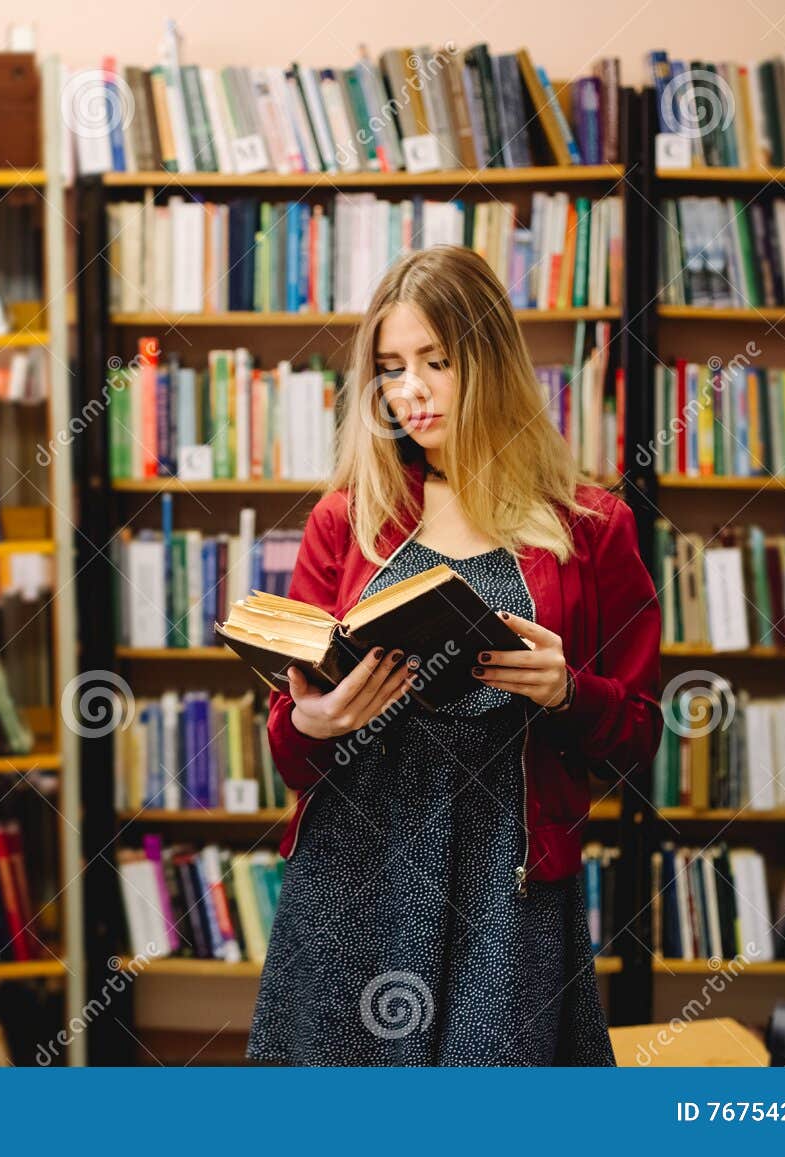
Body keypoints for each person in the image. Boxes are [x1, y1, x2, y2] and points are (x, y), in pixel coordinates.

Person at [245, 245, 662, 1066]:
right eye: (392, 368)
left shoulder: (590, 525)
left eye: (437, 361)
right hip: (353, 870)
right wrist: (316, 719)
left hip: (503, 877)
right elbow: (291, 752)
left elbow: (641, 732)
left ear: (491, 362)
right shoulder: (348, 519)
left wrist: (567, 692)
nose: (413, 391)